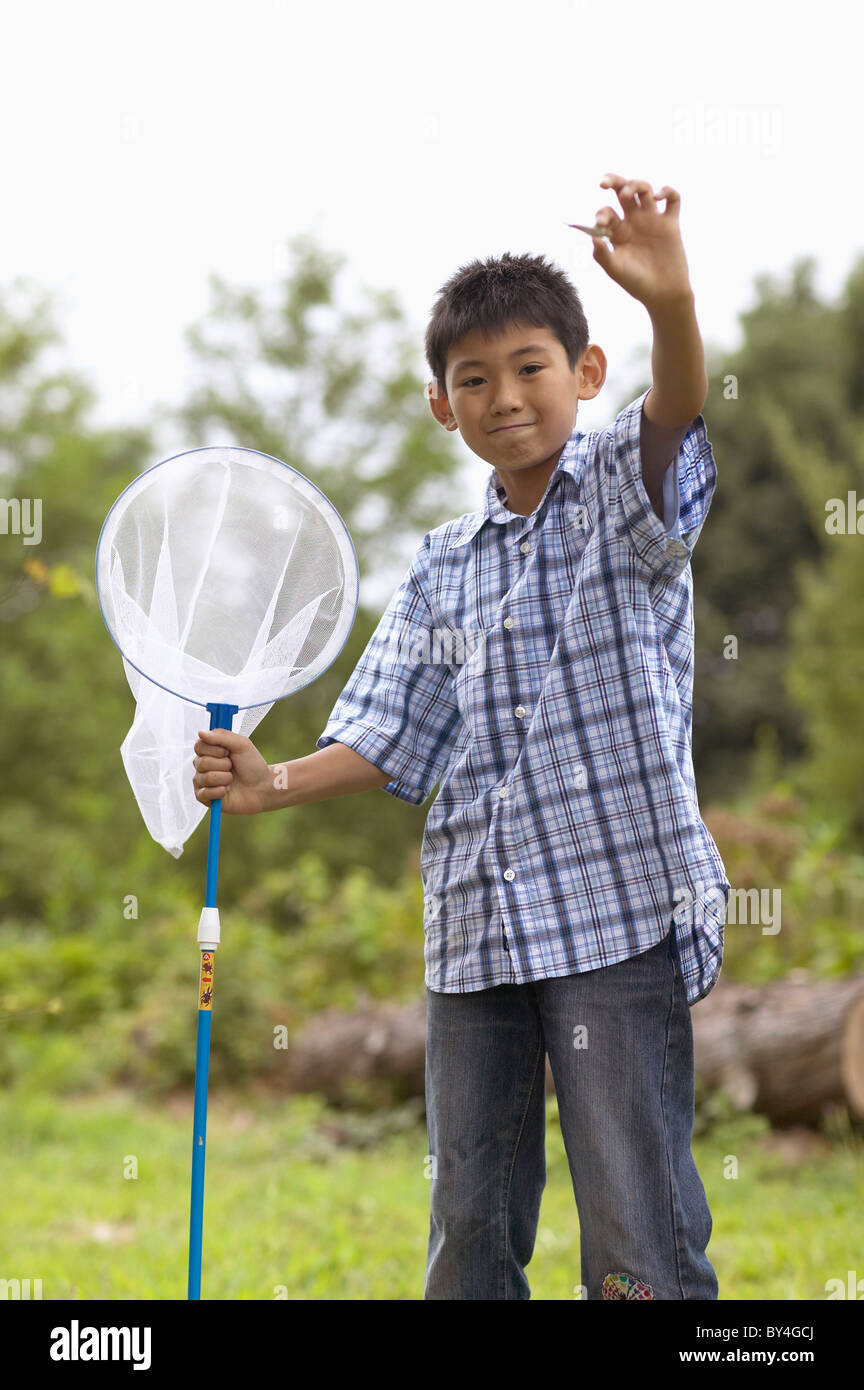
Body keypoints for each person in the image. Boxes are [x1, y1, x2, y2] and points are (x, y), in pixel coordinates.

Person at [192, 173, 731, 1301]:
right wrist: (264, 781)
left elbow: (675, 408)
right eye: (472, 379)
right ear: (443, 405)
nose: (504, 397)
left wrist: (670, 305)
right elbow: (392, 736)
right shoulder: (442, 563)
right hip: (475, 924)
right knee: (468, 1225)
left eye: (531, 368)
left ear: (585, 374)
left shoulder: (623, 501)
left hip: (614, 913)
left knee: (638, 1226)